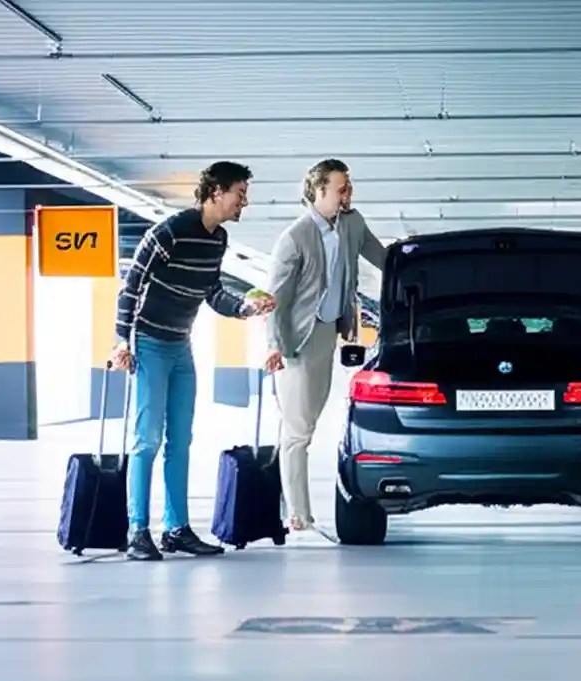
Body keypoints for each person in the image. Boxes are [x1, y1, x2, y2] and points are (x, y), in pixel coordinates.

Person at [109, 161, 276, 561]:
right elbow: (130, 288)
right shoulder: (168, 232)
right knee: (146, 439)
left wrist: (246, 309)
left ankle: (176, 529)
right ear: (216, 192)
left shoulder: (217, 240)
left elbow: (213, 292)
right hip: (148, 344)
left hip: (181, 346)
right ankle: (137, 531)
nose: (244, 202)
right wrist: (120, 341)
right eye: (240, 193)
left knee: (180, 441)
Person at [262, 158, 386, 531]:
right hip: (297, 340)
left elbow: (384, 258)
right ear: (319, 192)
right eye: (341, 188)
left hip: (329, 333)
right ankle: (298, 512)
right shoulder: (295, 237)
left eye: (349, 186)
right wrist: (273, 346)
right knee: (298, 430)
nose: (348, 193)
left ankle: (290, 502)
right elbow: (276, 299)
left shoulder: (352, 223)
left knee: (310, 423)